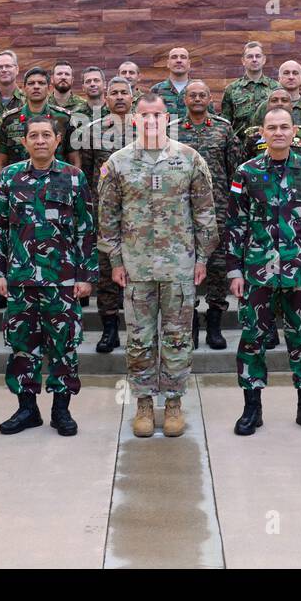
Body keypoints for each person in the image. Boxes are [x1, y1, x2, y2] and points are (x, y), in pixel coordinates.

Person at [98, 94, 217, 438]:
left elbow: (205, 212)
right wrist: (115, 260)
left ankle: (175, 402)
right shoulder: (118, 163)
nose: (151, 120)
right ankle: (145, 403)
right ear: (135, 119)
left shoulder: (189, 159)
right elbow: (108, 216)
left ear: (169, 118)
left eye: (158, 114)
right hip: (136, 268)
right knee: (139, 338)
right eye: (145, 114)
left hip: (180, 266)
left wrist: (203, 257)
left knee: (178, 338)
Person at [225, 108, 301, 436]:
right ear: (262, 132)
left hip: (300, 270)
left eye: (285, 126)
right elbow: (235, 222)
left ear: (294, 130)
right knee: (253, 340)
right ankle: (251, 408)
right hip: (258, 271)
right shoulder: (247, 172)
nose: (279, 132)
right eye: (272, 127)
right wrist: (234, 271)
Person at [0, 115, 97, 436]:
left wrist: (86, 275)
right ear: (24, 142)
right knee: (23, 344)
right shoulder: (9, 178)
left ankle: (61, 410)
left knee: (64, 344)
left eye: (46, 135)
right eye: (33, 135)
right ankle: (26, 410)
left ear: (57, 140)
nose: (39, 140)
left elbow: (86, 230)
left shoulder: (74, 177)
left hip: (61, 280)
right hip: (20, 279)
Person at [172, 79, 238, 350]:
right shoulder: (172, 131)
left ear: (210, 99)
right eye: (192, 95)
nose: (197, 99)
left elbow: (234, 169)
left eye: (202, 95)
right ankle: (190, 324)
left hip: (217, 208)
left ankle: (214, 323)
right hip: (182, 209)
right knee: (185, 267)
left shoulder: (223, 128)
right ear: (184, 99)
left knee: (217, 267)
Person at [79, 77, 136, 353]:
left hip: (141, 215)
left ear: (133, 96)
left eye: (125, 92)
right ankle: (109, 330)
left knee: (140, 275)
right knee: (106, 274)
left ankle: (140, 332)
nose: (120, 97)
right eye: (114, 93)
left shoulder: (146, 129)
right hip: (106, 215)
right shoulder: (92, 131)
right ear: (106, 97)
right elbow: (88, 176)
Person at [0, 67, 79, 174]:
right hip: (18, 184)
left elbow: (74, 159)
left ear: (49, 88)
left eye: (41, 83)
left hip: (56, 184)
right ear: (24, 88)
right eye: (31, 83)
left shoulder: (63, 118)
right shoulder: (10, 119)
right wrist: (2, 187)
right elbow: (1, 161)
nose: (36, 87)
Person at [240, 87, 301, 163]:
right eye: (274, 100)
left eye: (284, 100)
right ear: (267, 106)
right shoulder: (253, 135)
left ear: (291, 106)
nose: (279, 103)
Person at [248, 61, 301, 137]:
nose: (291, 77)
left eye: (295, 73)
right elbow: (255, 138)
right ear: (279, 78)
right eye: (286, 73)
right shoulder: (265, 107)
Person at [219, 40, 279, 137]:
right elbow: (226, 123)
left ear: (264, 60)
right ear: (243, 61)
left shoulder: (276, 88)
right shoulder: (232, 89)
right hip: (240, 148)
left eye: (258, 56)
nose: (254, 59)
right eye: (250, 56)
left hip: (268, 146)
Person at [150, 47, 193, 117]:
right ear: (168, 63)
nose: (179, 60)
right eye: (174, 57)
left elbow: (210, 118)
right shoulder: (156, 90)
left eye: (183, 57)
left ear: (189, 63)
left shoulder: (199, 89)